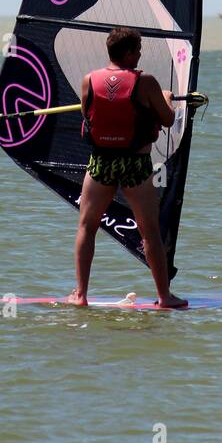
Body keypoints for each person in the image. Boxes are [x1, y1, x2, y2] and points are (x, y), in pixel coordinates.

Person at [66, 26, 188, 309]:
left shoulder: (89, 80)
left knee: (87, 226)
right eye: (139, 50)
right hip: (134, 162)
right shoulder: (145, 82)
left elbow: (88, 114)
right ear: (130, 52)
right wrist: (167, 98)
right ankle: (164, 297)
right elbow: (168, 120)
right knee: (150, 233)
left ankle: (80, 295)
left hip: (101, 161)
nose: (141, 55)